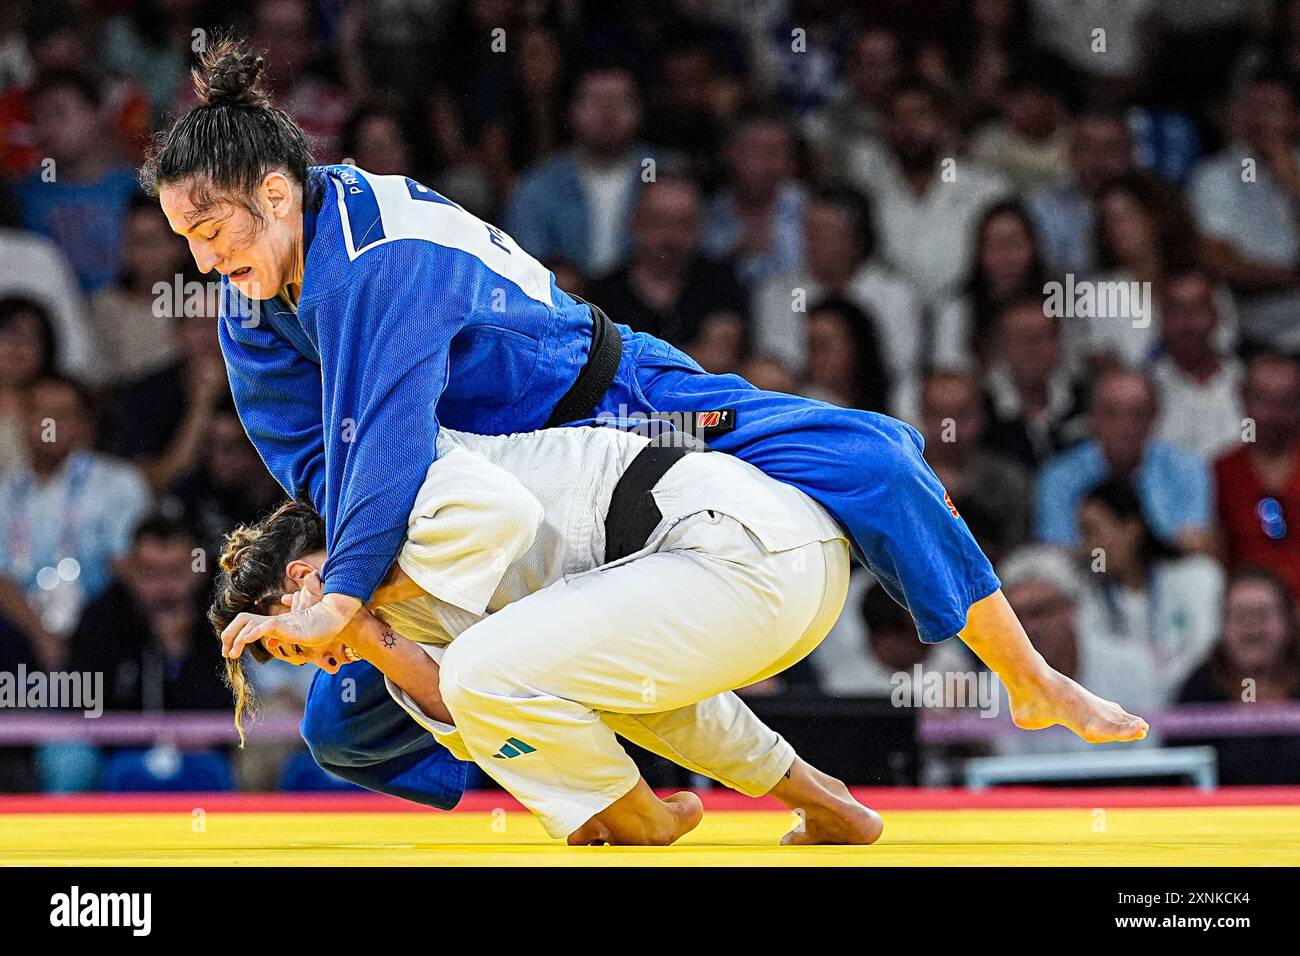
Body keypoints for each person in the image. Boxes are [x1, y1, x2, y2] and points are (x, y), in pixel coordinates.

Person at [143, 39, 1146, 809]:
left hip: (625, 405)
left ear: (277, 192)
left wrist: (353, 585)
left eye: (215, 231)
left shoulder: (376, 252)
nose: (204, 261)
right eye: (188, 239)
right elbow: (320, 464)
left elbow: (385, 437)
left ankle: (1027, 675)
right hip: (483, 478)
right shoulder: (248, 304)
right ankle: (553, 750)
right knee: (340, 723)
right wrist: (359, 607)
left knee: (873, 453)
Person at [214, 421, 1147, 844]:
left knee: (500, 669)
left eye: (299, 642)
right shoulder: (389, 614)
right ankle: (828, 802)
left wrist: (348, 609)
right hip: (741, 584)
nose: (319, 658)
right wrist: (371, 635)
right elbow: (466, 722)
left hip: (751, 545)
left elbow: (495, 516)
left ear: (304, 578)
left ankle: (644, 820)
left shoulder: (402, 479)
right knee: (538, 680)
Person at [1075, 477, 1224, 705]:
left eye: (1093, 531)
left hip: (1192, 705)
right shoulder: (1085, 596)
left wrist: (1155, 687)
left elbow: (1206, 648)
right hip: (1124, 711)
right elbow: (1094, 664)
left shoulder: (1198, 575)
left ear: (1132, 529)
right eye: (1084, 535)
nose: (1088, 546)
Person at [1174, 567, 1300, 785]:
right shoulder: (1199, 690)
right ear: (1222, 626)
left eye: (1263, 614)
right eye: (1240, 616)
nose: (1252, 627)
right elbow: (1176, 773)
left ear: (1289, 621)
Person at [1212, 352, 1300, 601]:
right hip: (1248, 609)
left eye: (1285, 401)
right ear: (1243, 397)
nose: (1273, 414)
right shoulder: (1222, 471)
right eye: (1263, 400)